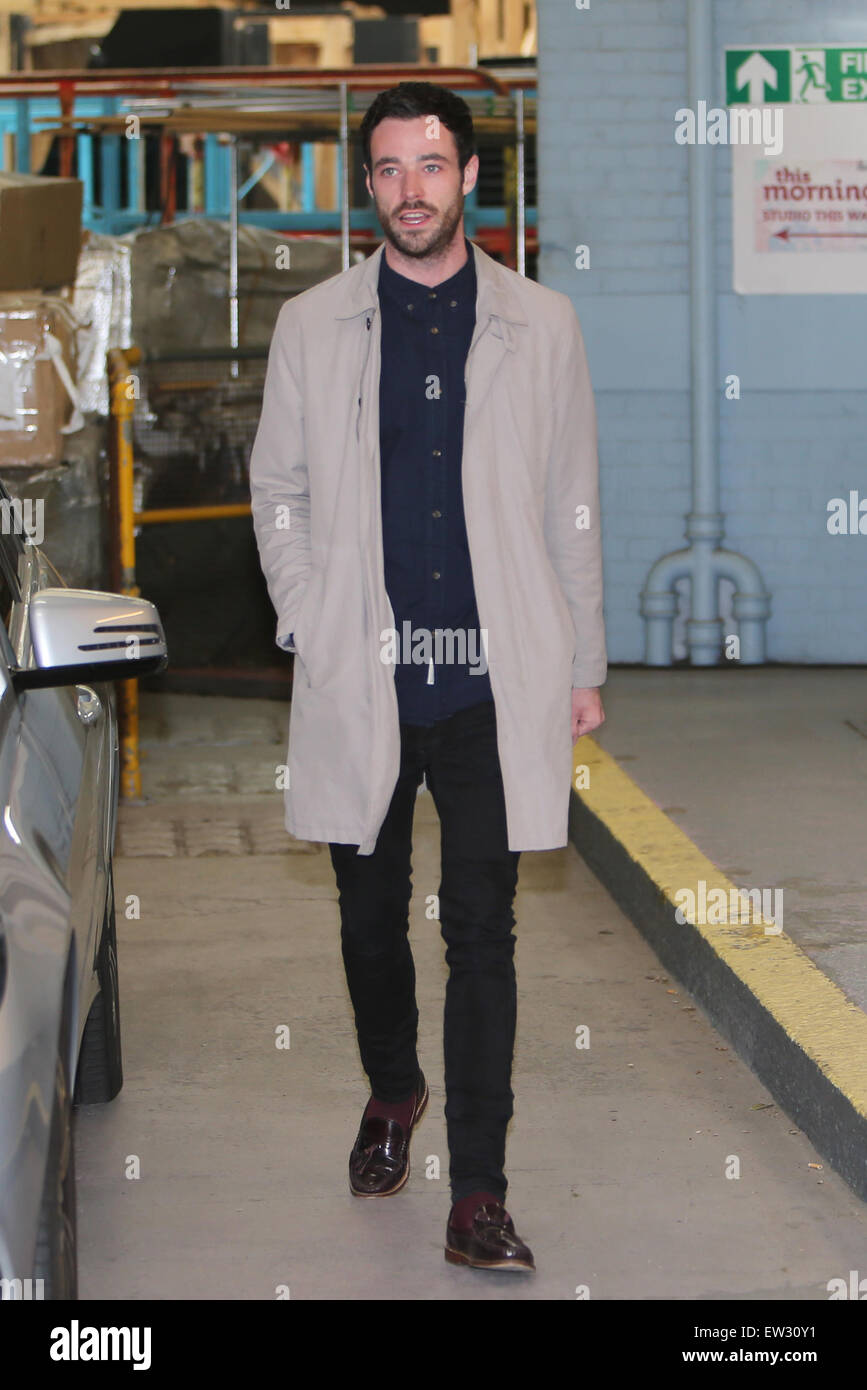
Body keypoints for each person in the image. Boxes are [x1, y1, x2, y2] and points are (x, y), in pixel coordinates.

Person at [250, 80, 606, 1274]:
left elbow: (572, 506)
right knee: (366, 920)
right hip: (367, 674)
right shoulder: (314, 325)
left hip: (493, 680)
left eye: (433, 166)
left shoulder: (541, 325)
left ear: (468, 177)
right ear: (368, 186)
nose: (412, 189)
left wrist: (583, 662)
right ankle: (393, 1089)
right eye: (390, 169)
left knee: (486, 933)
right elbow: (280, 494)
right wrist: (311, 617)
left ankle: (481, 1195)